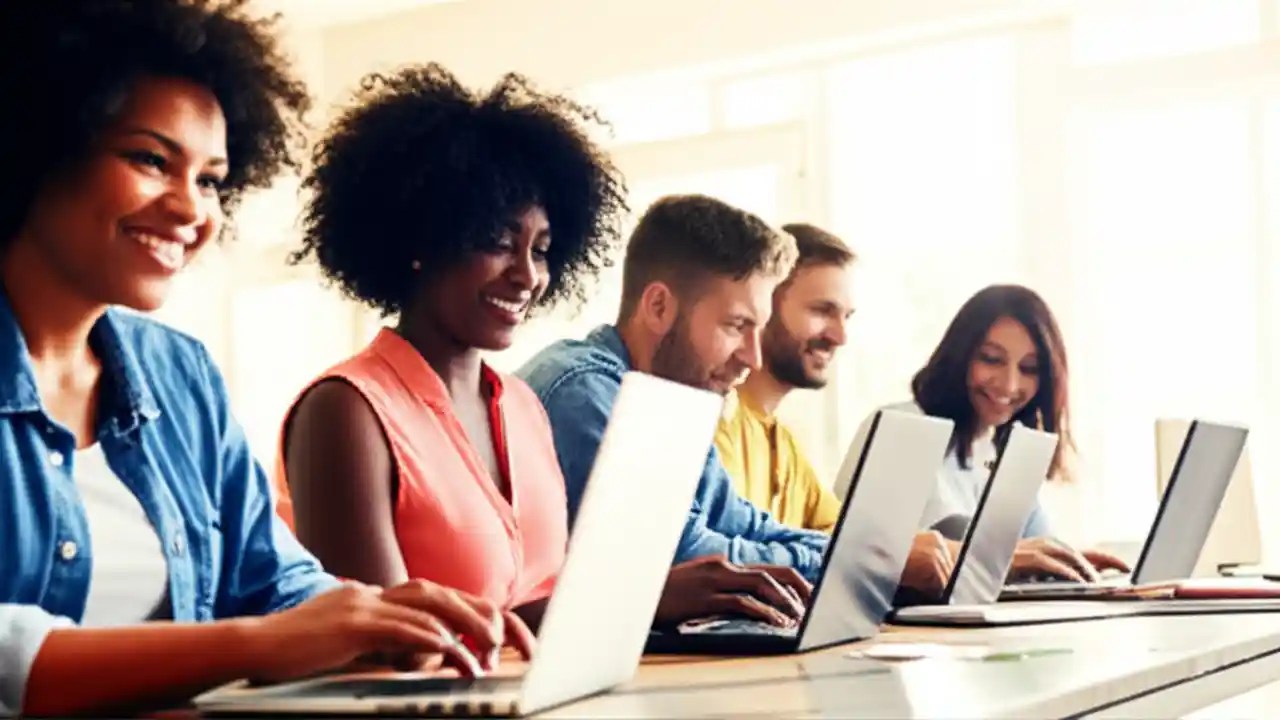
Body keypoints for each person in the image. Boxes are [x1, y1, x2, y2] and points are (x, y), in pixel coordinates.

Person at [0, 3, 526, 716]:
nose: (192, 210)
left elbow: (272, 581)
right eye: (151, 160)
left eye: (211, 180)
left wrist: (381, 623)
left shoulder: (180, 376)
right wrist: (257, 643)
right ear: (37, 147)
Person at [276, 65, 813, 633]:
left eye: (541, 250)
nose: (527, 276)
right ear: (420, 239)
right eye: (498, 243)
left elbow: (534, 604)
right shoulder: (346, 410)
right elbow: (380, 644)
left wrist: (650, 597)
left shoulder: (522, 406)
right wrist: (638, 599)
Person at [517, 195, 954, 594]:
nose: (753, 357)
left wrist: (873, 554)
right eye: (736, 326)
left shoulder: (670, 403)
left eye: (757, 329)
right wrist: (865, 562)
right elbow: (684, 556)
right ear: (658, 307)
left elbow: (746, 525)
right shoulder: (585, 393)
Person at [904, 284, 1128, 581]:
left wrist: (1068, 564)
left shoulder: (1000, 452)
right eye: (991, 359)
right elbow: (939, 552)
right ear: (960, 355)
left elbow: (1034, 547)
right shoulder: (906, 429)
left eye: (1029, 368)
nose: (1009, 385)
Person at [715, 223, 854, 532]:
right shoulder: (717, 422)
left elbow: (842, 535)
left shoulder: (785, 444)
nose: (840, 336)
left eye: (846, 316)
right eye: (823, 311)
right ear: (763, 305)